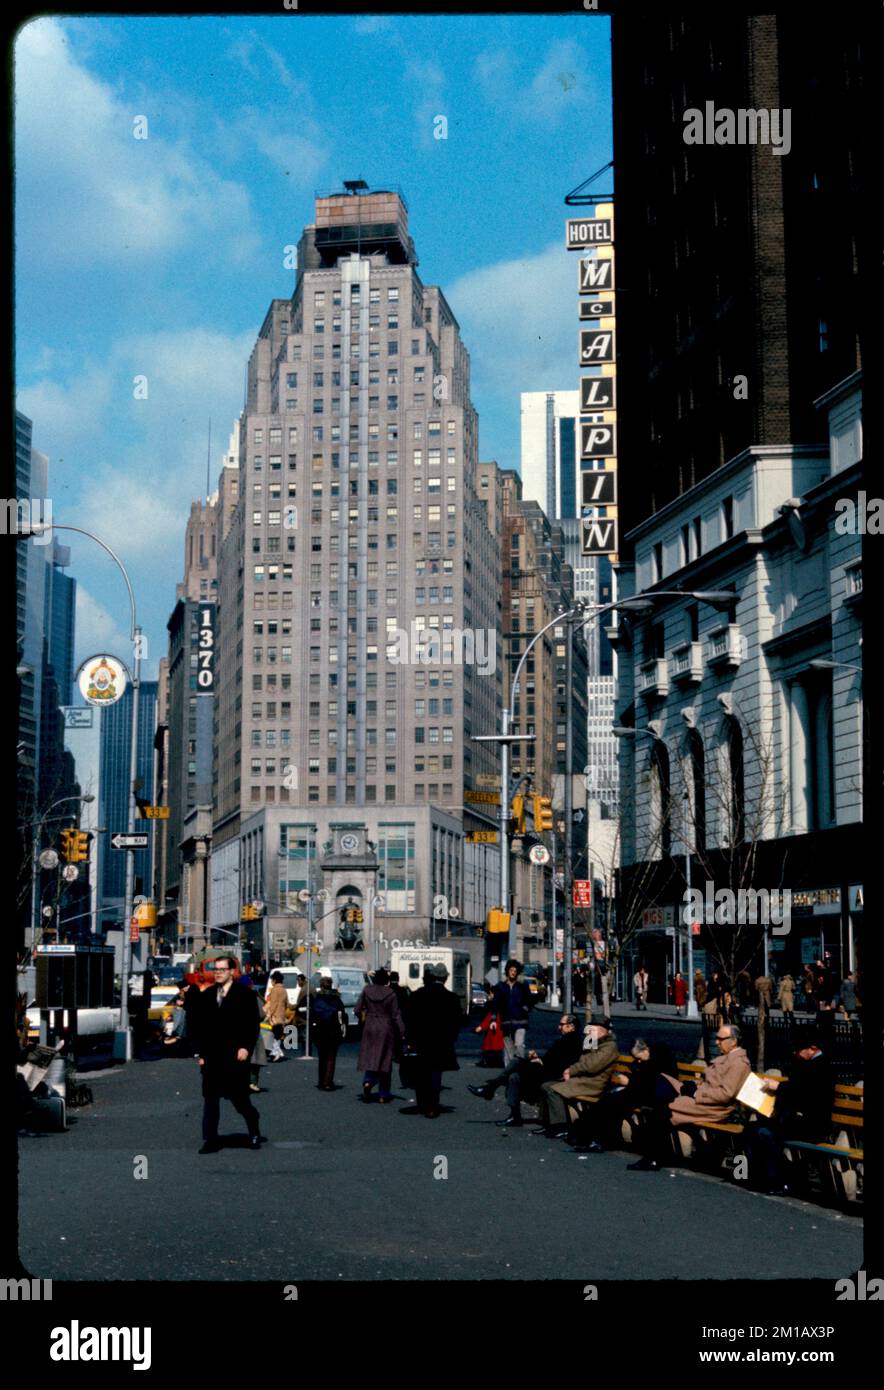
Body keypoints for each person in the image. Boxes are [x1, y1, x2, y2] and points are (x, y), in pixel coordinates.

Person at [744, 1028, 835, 1195]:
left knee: (765, 1133)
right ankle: (758, 1178)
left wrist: (778, 1086)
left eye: (799, 1049)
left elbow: (803, 1094)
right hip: (800, 1121)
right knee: (752, 1129)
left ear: (813, 1048)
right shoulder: (808, 1064)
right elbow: (797, 1088)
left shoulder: (822, 1067)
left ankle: (779, 1181)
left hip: (814, 1125)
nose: (796, 1053)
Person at [191, 956, 263, 1153]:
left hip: (235, 1056)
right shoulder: (208, 995)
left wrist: (245, 1047)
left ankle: (253, 1128)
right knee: (210, 1100)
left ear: (232, 972)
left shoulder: (245, 995)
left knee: (240, 1100)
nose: (218, 973)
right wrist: (201, 1053)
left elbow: (252, 1024)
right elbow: (201, 1027)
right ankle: (210, 1139)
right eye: (216, 969)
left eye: (222, 969)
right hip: (212, 1056)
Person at [468, 1014, 584, 1127]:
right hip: (546, 1070)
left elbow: (560, 1064)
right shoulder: (564, 1039)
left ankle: (490, 1088)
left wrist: (540, 1062)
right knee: (514, 1077)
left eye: (562, 1024)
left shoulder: (573, 1041)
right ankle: (514, 1116)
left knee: (516, 1062)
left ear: (571, 1026)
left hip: (553, 1074)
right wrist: (538, 1058)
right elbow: (552, 1059)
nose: (559, 1027)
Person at [531, 1021, 620, 1143]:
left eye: (592, 1029)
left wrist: (571, 1071)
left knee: (553, 1090)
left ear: (602, 1030)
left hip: (593, 1083)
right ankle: (547, 1123)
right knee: (546, 1085)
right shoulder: (594, 1042)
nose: (588, 1032)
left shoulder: (609, 1047)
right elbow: (582, 1060)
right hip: (582, 1080)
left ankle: (560, 1126)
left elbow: (592, 1066)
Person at [404, 962, 463, 1117]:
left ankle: (422, 1103)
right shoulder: (452, 998)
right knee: (436, 1073)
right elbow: (456, 1022)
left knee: (421, 1072)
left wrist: (409, 1039)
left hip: (421, 1040)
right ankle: (432, 1106)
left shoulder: (418, 995)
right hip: (441, 1042)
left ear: (432, 976)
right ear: (445, 978)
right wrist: (451, 1037)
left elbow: (410, 1019)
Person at [356, 967, 404, 1103]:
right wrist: (402, 1030)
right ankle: (383, 1093)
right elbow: (395, 1014)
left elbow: (357, 1009)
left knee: (371, 1057)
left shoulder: (366, 990)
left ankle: (368, 1080)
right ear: (386, 980)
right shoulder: (391, 994)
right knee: (385, 1060)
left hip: (370, 1025)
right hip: (385, 1026)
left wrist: (363, 1018)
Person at [487, 959, 534, 1062]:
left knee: (519, 1044)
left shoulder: (523, 985)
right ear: (507, 971)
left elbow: (530, 1000)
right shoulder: (501, 986)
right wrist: (493, 1020)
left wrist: (525, 1008)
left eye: (515, 971)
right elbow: (496, 1004)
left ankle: (520, 1066)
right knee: (509, 1049)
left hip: (521, 1021)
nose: (513, 972)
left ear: (517, 972)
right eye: (511, 970)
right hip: (506, 1022)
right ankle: (509, 1069)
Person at [311, 971, 347, 1091]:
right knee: (331, 1057)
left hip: (320, 1031)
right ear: (331, 985)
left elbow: (313, 1015)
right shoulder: (337, 999)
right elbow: (342, 1016)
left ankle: (321, 1081)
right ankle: (328, 1081)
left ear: (321, 986)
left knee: (322, 1056)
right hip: (333, 1030)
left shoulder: (317, 999)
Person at [263, 971, 289, 1062]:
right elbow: (286, 1004)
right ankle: (276, 1052)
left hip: (275, 1016)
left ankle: (277, 1052)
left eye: (272, 980)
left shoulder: (274, 990)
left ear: (274, 980)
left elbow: (273, 1004)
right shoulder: (284, 990)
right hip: (281, 1016)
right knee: (278, 1035)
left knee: (273, 1035)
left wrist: (269, 1014)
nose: (271, 982)